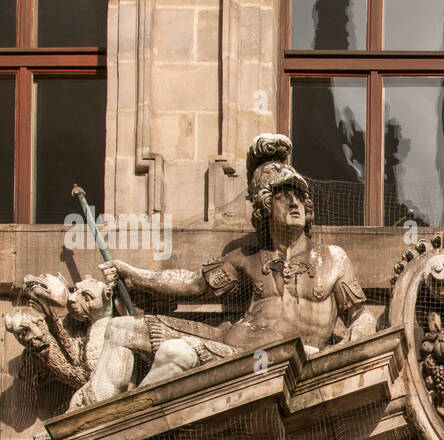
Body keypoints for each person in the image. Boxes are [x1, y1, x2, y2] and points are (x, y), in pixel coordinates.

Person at [75, 138, 371, 405]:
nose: (295, 203)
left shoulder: (333, 259)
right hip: (231, 350)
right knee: (120, 328)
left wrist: (337, 356)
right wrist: (134, 274)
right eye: (283, 195)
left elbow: (361, 317)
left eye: (299, 196)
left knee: (173, 354)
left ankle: (129, 425)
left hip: (279, 366)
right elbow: (192, 283)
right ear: (265, 205)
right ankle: (89, 419)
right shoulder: (245, 256)